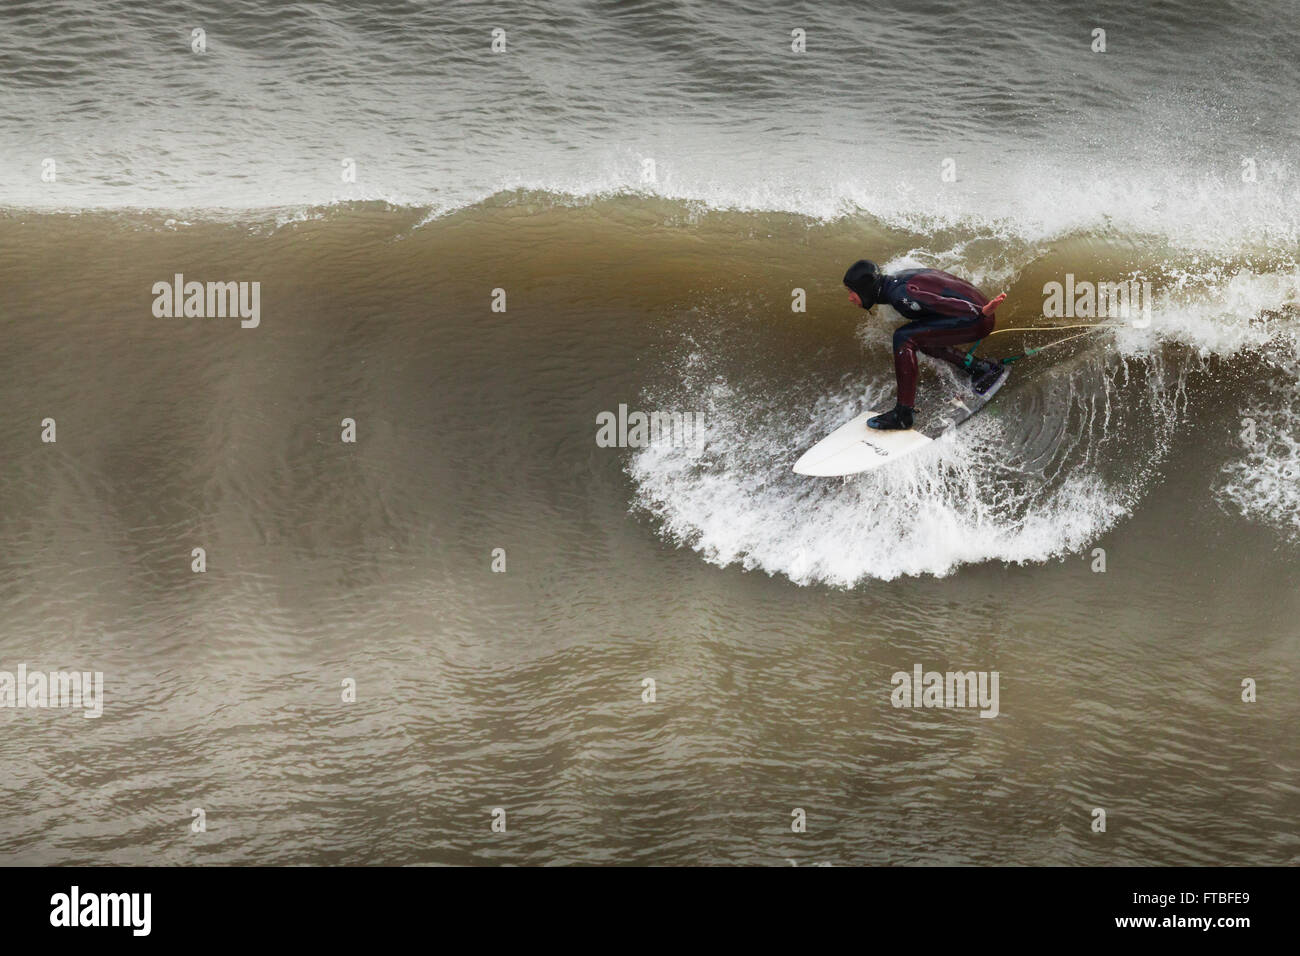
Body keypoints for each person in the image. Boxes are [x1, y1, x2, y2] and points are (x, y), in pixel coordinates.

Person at [843, 260, 1008, 430]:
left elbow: (938, 301)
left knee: (903, 338)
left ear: (865, 289)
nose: (850, 298)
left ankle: (902, 415)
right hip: (975, 309)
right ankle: (978, 367)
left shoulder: (900, 296)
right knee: (920, 334)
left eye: (851, 292)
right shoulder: (896, 280)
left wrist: (978, 311)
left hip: (977, 317)